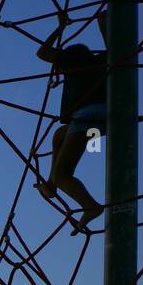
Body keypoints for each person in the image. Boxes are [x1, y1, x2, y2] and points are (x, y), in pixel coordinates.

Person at [36, 12, 107, 230]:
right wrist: (103, 25)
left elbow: (42, 52)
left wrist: (60, 27)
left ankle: (90, 205)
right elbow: (116, 48)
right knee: (59, 134)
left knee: (63, 175)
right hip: (102, 115)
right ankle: (50, 184)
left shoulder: (70, 64)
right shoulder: (100, 61)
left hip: (85, 117)